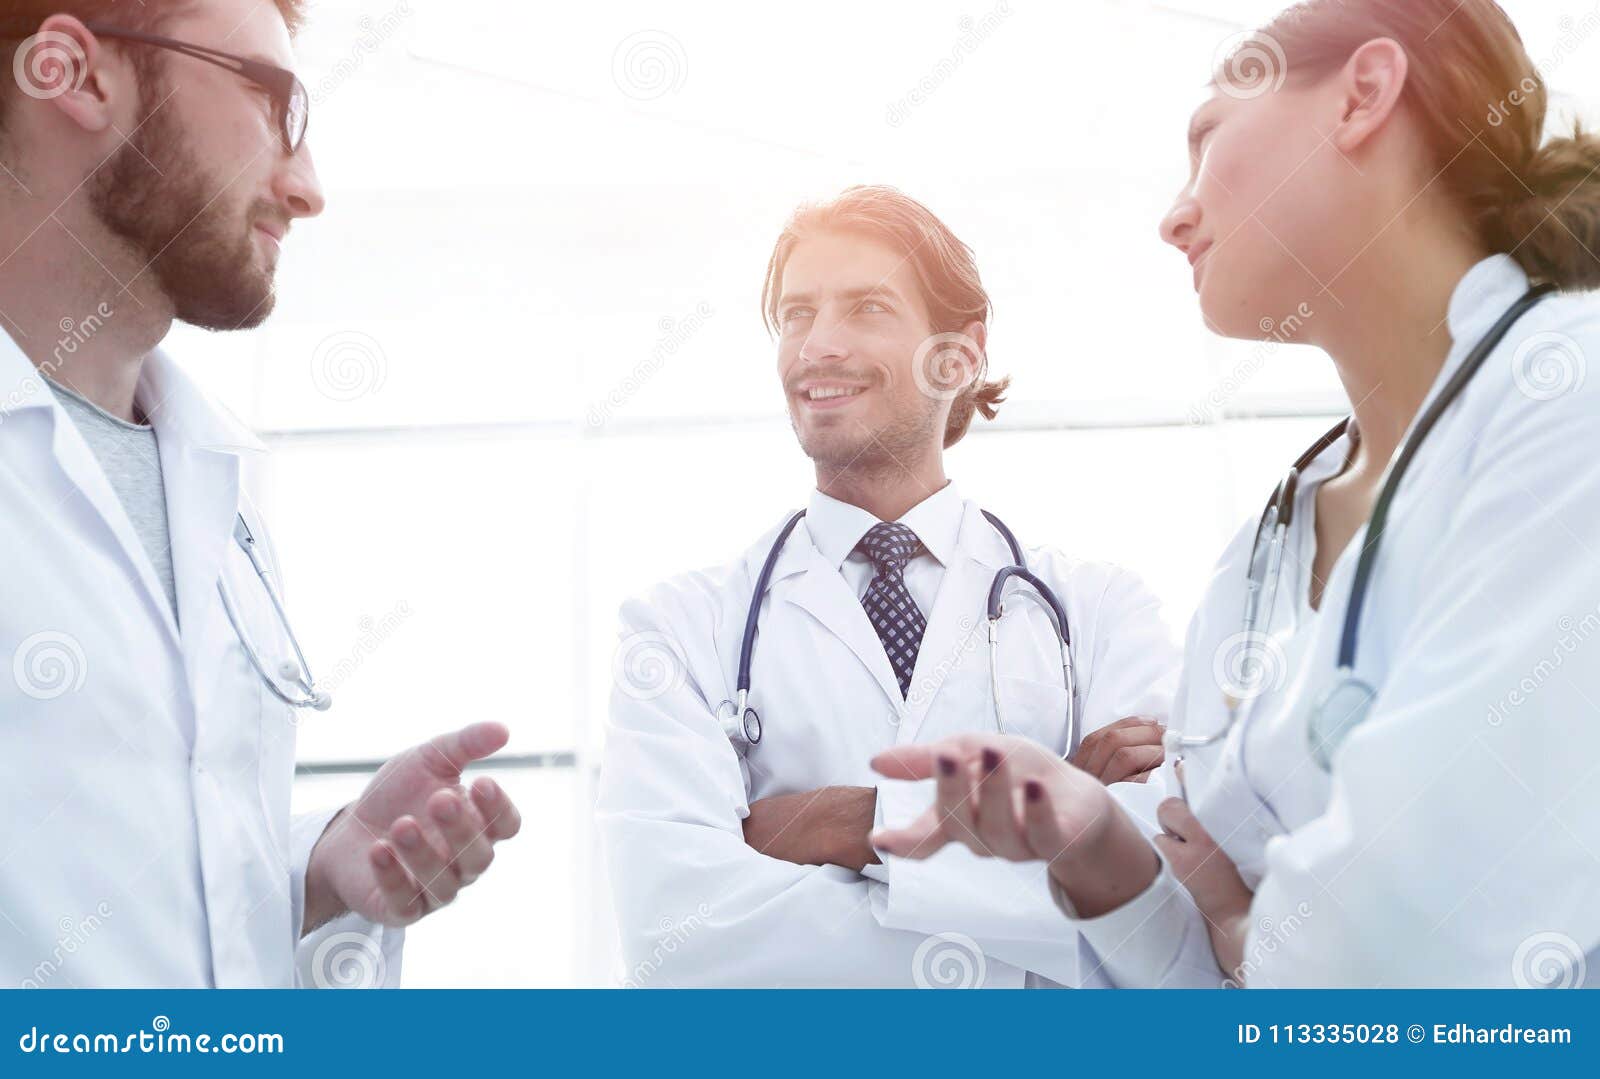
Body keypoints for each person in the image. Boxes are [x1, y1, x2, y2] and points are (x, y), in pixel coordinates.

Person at [871, 0, 1600, 989]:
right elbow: (1212, 992)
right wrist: (1096, 843)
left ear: (1364, 94)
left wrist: (1251, 930)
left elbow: (1421, 930)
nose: (1173, 215)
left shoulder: (1569, 391)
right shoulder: (1263, 551)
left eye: (1206, 138)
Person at [0, 2, 520, 988]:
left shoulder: (208, 477)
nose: (307, 186)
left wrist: (319, 869)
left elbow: (104, 887)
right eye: (269, 101)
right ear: (72, 73)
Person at [598, 185, 1180, 988]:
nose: (818, 346)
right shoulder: (678, 629)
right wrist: (1054, 846)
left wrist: (850, 821)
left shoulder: (1101, 611)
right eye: (798, 315)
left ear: (960, 355)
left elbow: (1170, 908)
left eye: (866, 308)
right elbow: (680, 937)